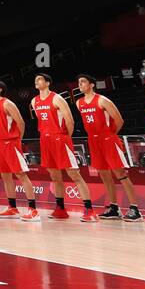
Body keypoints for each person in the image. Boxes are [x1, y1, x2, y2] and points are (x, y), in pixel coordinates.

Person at [30, 73, 97, 222]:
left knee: (74, 174)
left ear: (47, 83)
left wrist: (64, 138)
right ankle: (60, 209)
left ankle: (89, 210)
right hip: (45, 140)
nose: (37, 81)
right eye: (35, 79)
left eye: (40, 79)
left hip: (60, 138)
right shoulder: (34, 101)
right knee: (54, 176)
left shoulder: (57, 98)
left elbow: (70, 121)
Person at [75, 74, 141, 220]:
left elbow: (119, 120)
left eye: (83, 82)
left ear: (92, 84)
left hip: (108, 139)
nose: (80, 84)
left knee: (121, 175)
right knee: (104, 175)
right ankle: (114, 208)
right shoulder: (79, 103)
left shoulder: (102, 100)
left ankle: (135, 209)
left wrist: (109, 135)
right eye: (79, 82)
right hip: (93, 140)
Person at [0, 79, 39, 221]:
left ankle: (33, 210)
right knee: (5, 175)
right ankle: (12, 208)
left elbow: (20, 122)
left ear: (0, 89)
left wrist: (17, 140)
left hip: (10, 143)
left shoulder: (7, 103)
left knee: (21, 174)